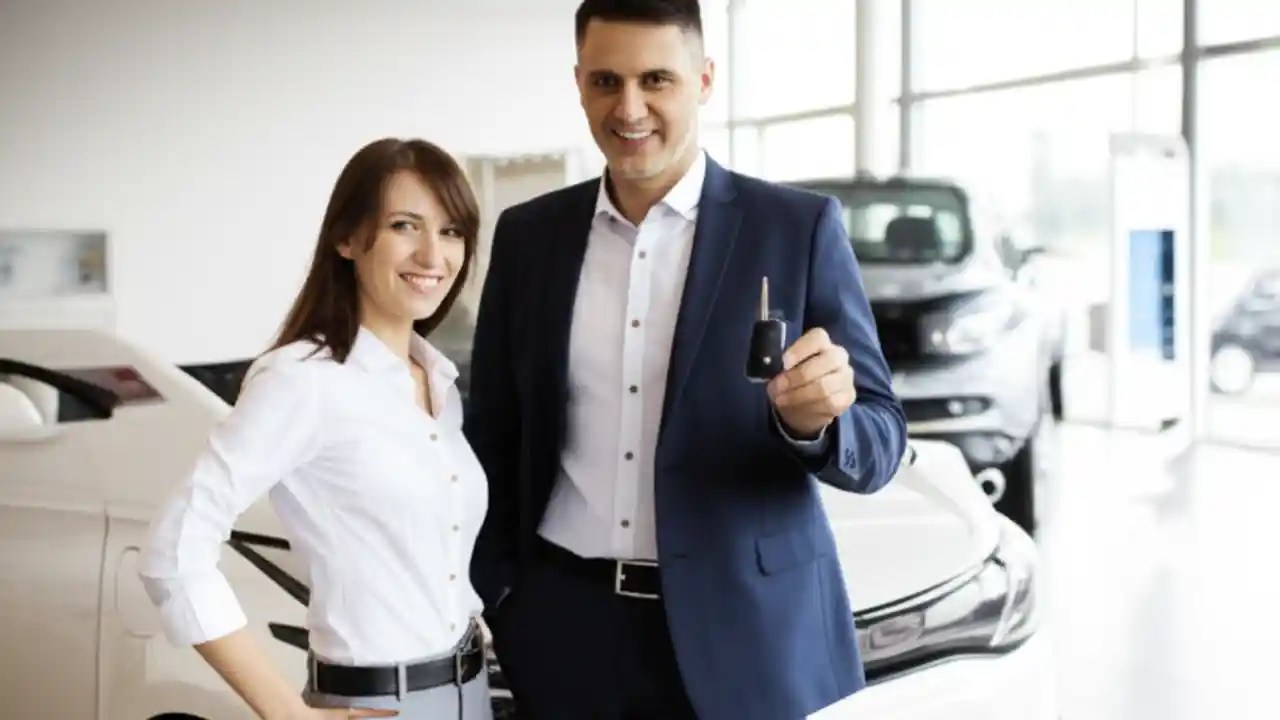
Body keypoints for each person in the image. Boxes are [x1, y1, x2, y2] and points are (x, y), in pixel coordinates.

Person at [464, 1, 909, 718]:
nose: (629, 108)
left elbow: (882, 439)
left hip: (749, 634)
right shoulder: (528, 237)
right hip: (563, 631)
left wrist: (817, 425)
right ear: (578, 84)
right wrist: (502, 590)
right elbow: (493, 428)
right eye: (606, 81)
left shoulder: (795, 228)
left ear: (703, 80)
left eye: (656, 80)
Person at [138, 138, 493, 720]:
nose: (433, 254)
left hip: (469, 692)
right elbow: (173, 551)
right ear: (347, 239)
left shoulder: (438, 382)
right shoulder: (302, 380)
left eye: (451, 231)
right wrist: (285, 712)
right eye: (405, 226)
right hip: (379, 703)